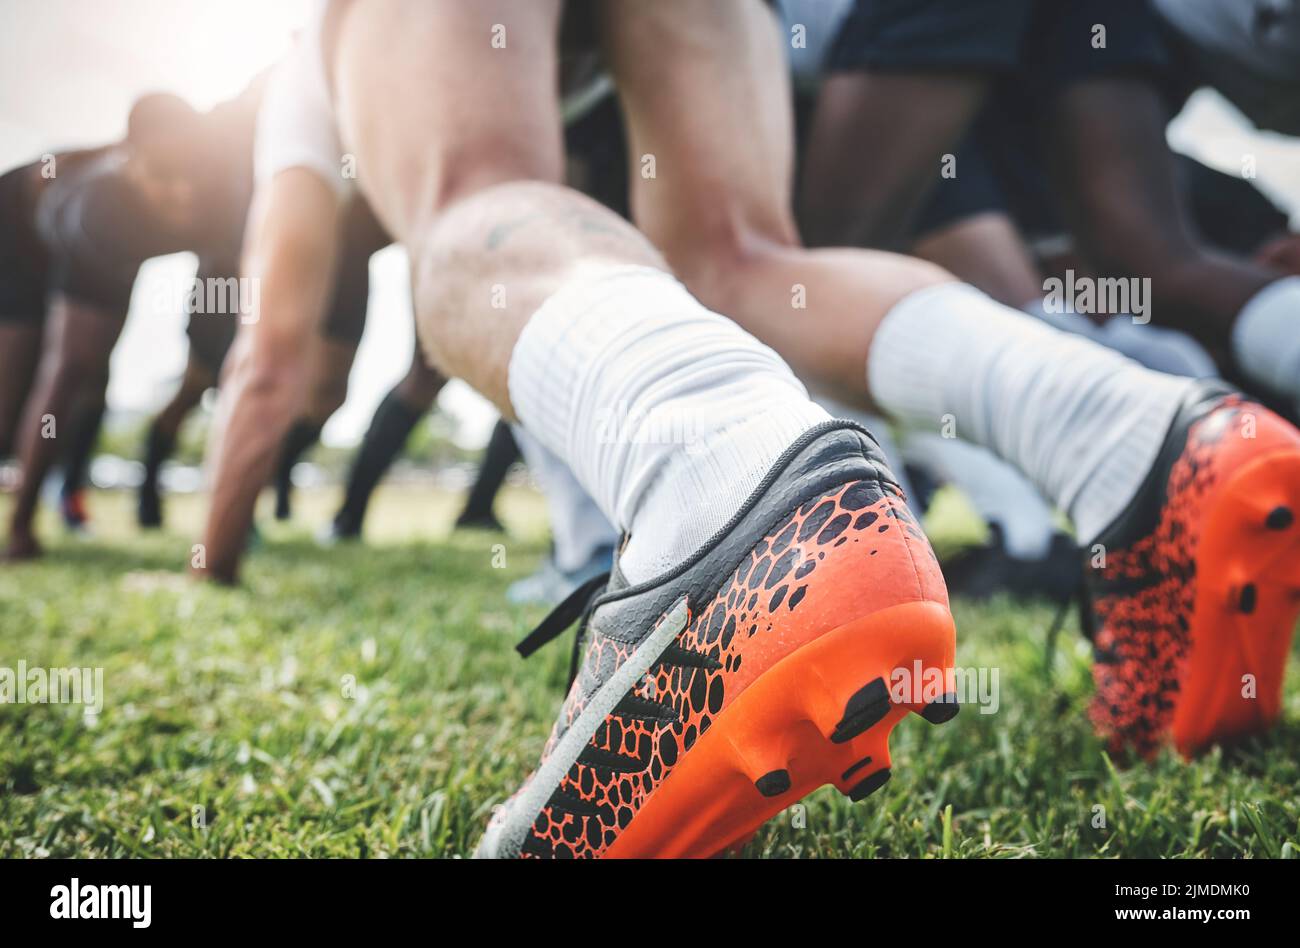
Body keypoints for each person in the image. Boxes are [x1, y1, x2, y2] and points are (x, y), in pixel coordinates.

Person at [216, 0, 1300, 858]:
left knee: (472, 195)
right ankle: (1127, 433)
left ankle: (717, 488)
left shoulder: (295, 94)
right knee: (744, 263)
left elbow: (267, 362)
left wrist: (205, 557)